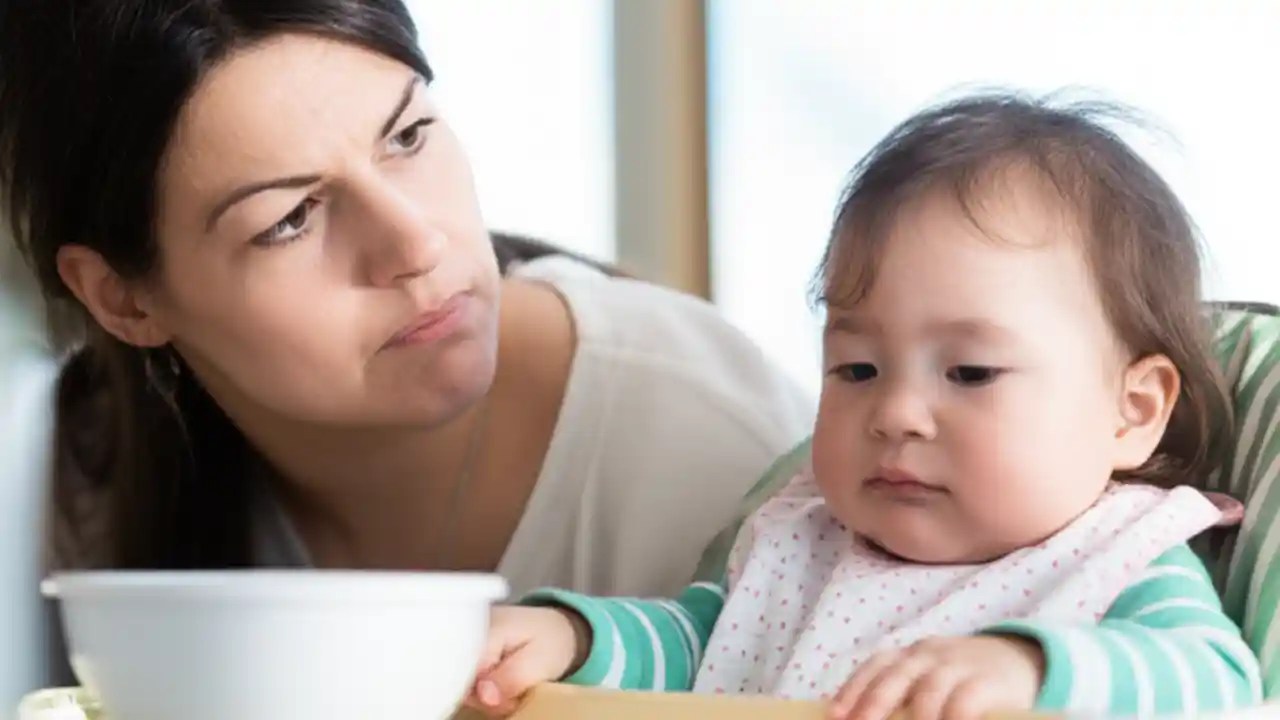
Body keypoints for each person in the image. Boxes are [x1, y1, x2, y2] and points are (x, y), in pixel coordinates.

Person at [0, 0, 813, 677]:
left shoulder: (716, 453)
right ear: (121, 298)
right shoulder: (75, 481)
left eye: (408, 136)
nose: (415, 245)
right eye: (289, 219)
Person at [471, 94, 1264, 720]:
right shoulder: (804, 540)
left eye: (972, 372)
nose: (897, 413)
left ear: (1132, 411)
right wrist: (571, 638)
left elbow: (1215, 678)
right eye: (857, 367)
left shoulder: (1120, 556)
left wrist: (1029, 668)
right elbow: (694, 646)